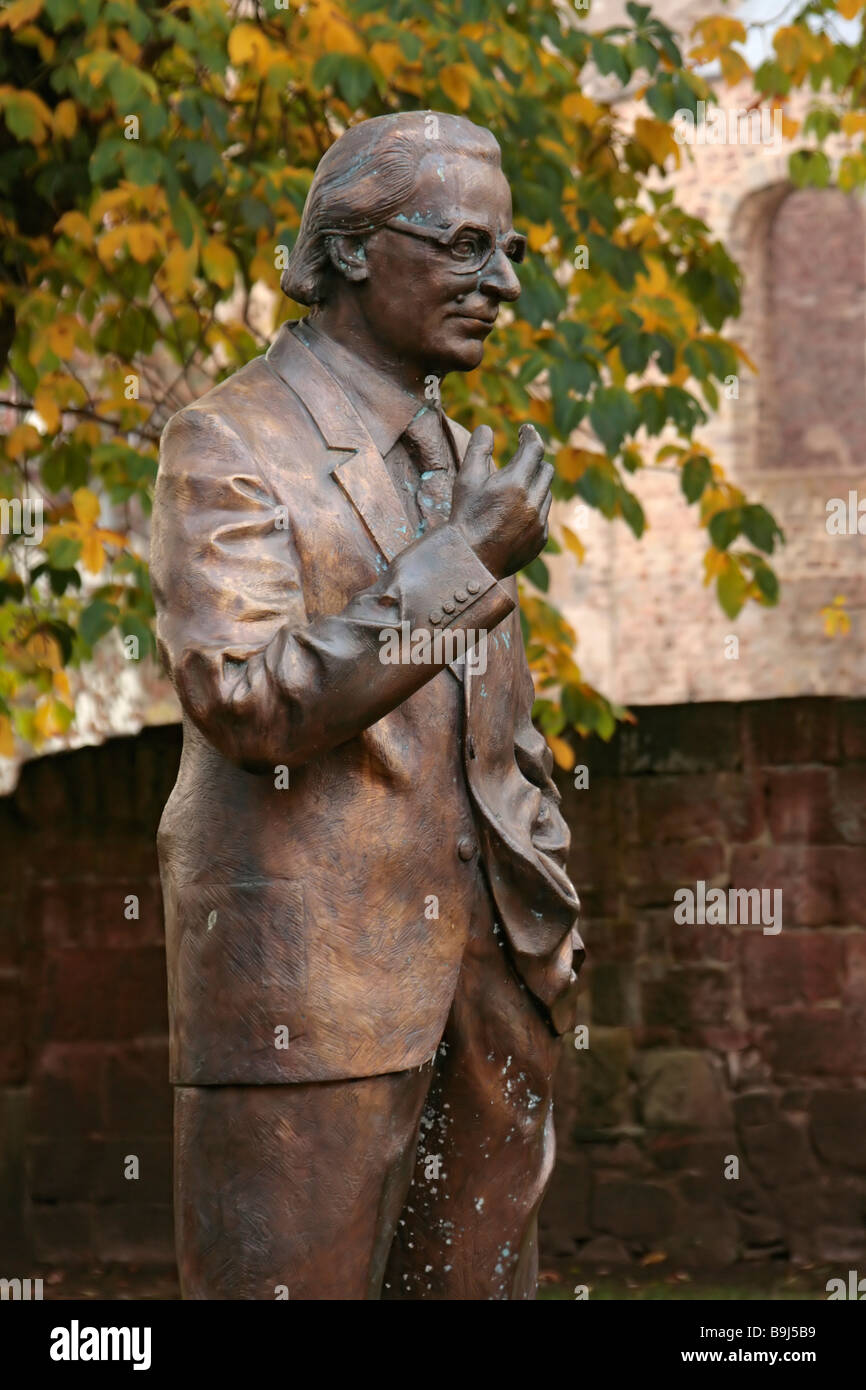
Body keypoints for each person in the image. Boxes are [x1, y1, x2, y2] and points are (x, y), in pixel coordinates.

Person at [150, 110, 584, 1300]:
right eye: (461, 246)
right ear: (350, 250)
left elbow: (491, 723)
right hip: (310, 998)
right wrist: (463, 557)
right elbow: (246, 701)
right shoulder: (229, 440)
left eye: (507, 253)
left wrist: (541, 893)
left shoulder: (452, 454)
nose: (498, 284)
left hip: (492, 996)